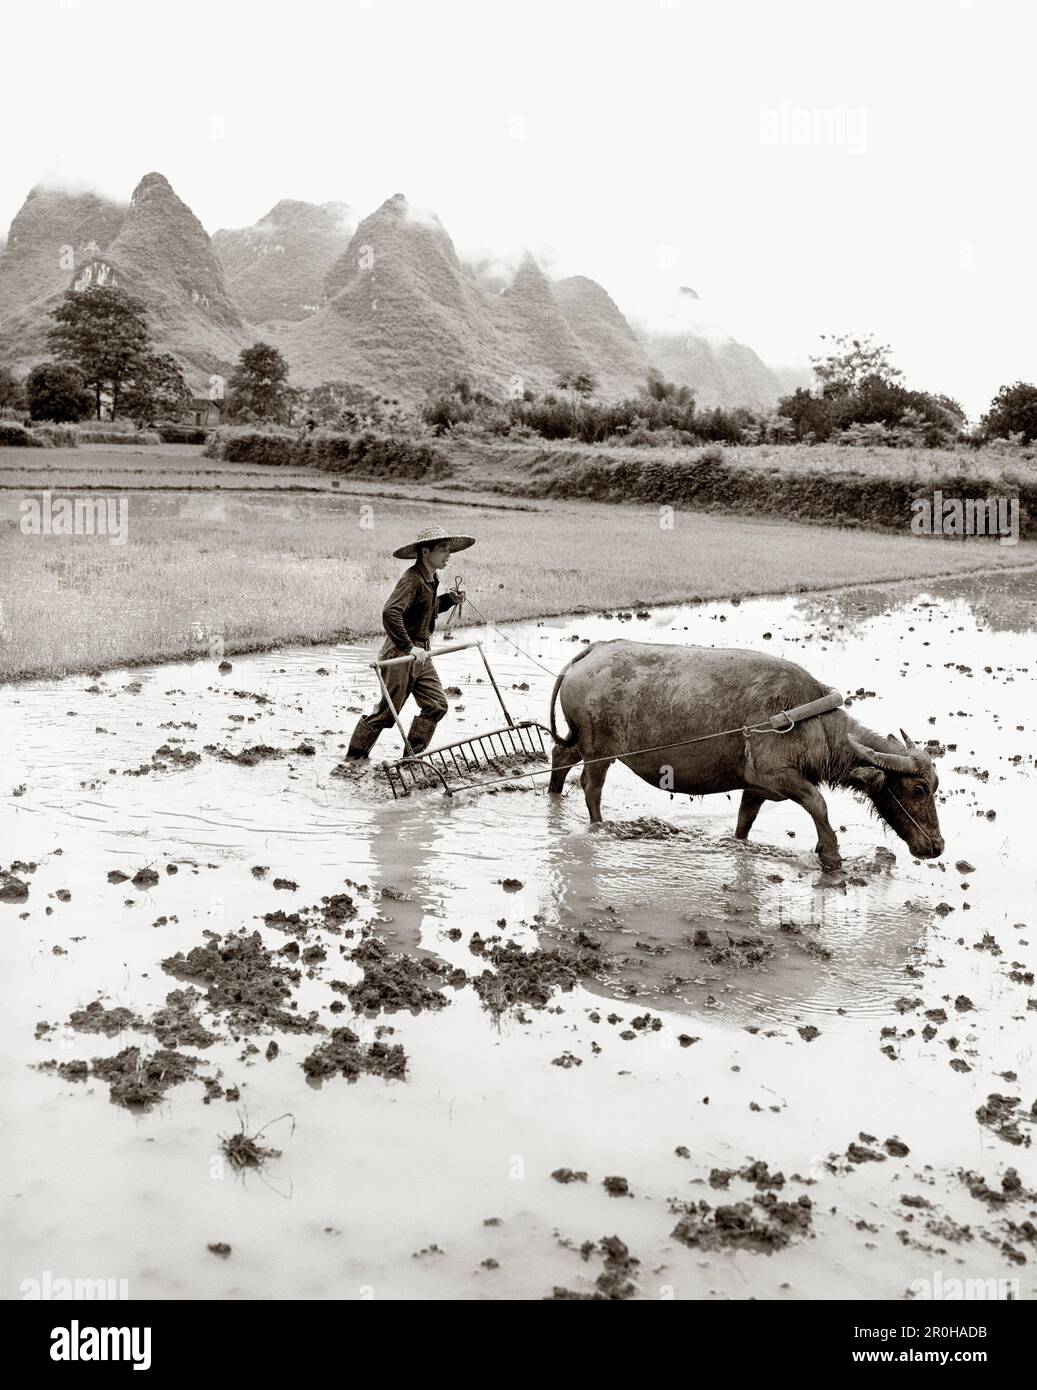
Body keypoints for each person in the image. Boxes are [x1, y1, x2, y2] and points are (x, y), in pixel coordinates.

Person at [345, 523, 474, 759]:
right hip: (399, 654)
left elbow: (423, 610)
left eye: (449, 550)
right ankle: (353, 760)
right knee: (386, 714)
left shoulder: (431, 579)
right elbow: (390, 612)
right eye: (443, 549)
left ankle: (411, 760)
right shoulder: (412, 579)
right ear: (426, 552)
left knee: (437, 705)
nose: (449, 555)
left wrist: (448, 600)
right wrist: (409, 647)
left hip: (421, 653)